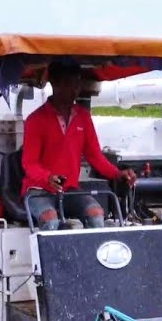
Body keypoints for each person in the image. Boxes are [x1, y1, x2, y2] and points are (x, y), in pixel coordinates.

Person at [20, 60, 137, 230]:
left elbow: (95, 156)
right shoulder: (35, 120)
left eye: (77, 84)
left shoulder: (83, 117)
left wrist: (118, 174)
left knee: (97, 213)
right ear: (54, 84)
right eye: (69, 84)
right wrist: (48, 178)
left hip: (69, 191)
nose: (75, 90)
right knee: (50, 219)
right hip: (38, 191)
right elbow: (29, 164)